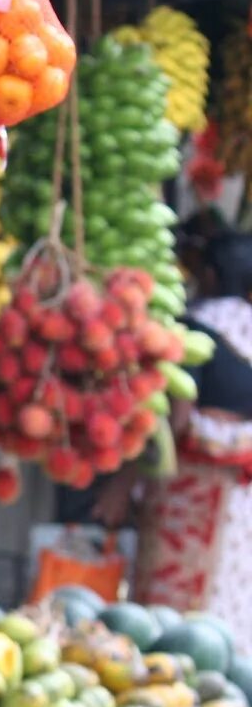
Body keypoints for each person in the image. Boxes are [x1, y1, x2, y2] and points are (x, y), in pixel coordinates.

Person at [94, 212, 252, 648]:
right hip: (241, 502)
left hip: (190, 498)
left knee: (173, 618)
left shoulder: (195, 328)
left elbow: (170, 419)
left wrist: (120, 487)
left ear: (210, 274)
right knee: (234, 599)